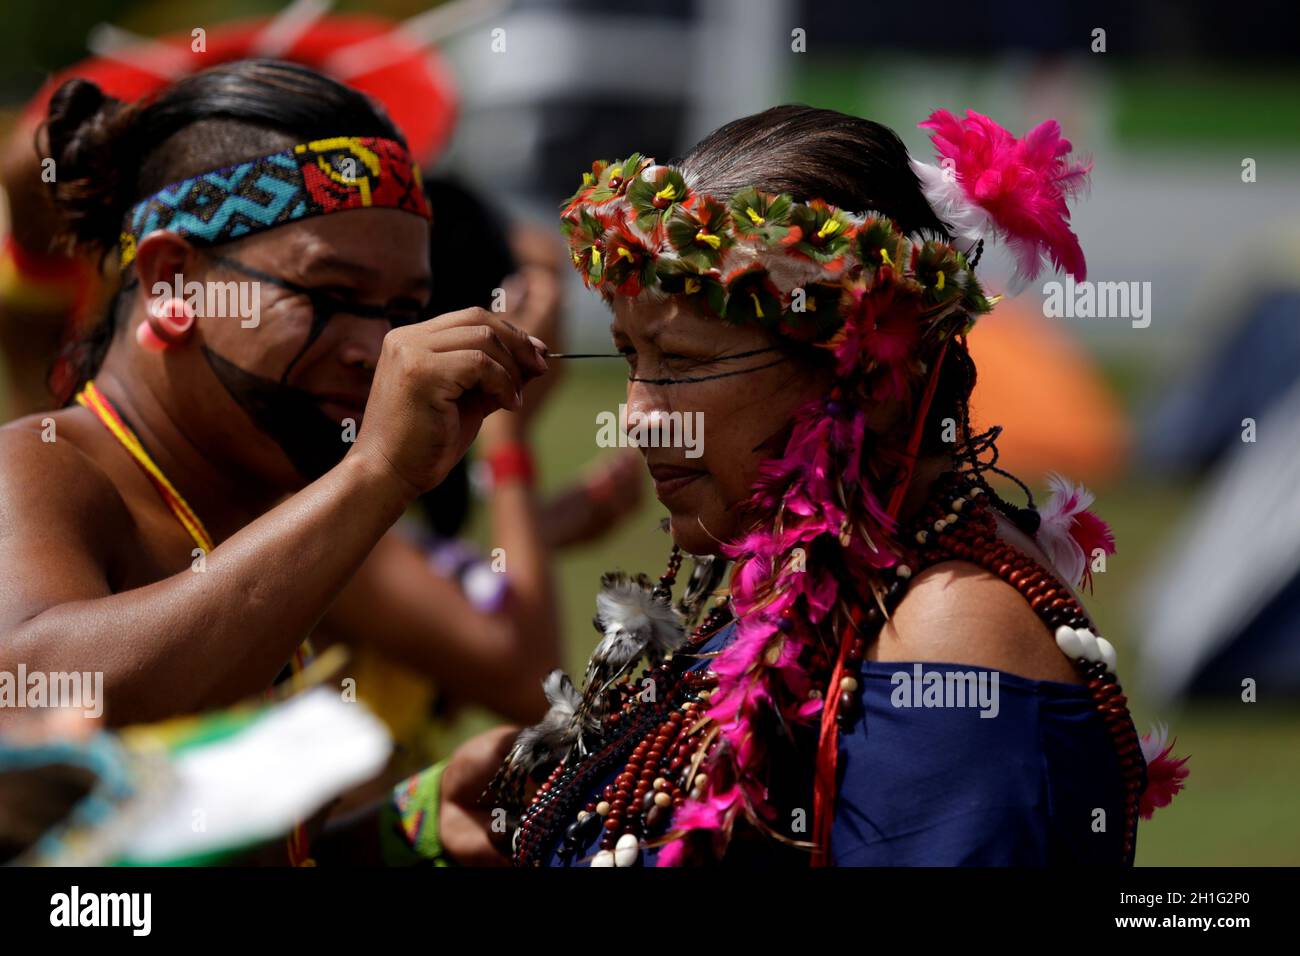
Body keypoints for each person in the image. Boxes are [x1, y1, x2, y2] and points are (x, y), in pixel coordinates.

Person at [421, 105, 1189, 867]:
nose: (640, 419)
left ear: (868, 373)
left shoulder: (952, 642)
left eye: (681, 362)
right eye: (630, 359)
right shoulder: (816, 589)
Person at [0, 59, 551, 730]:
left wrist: (408, 825)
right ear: (172, 281)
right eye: (331, 295)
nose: (377, 349)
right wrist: (376, 473)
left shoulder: (268, 495)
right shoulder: (35, 468)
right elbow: (40, 694)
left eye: (403, 310)